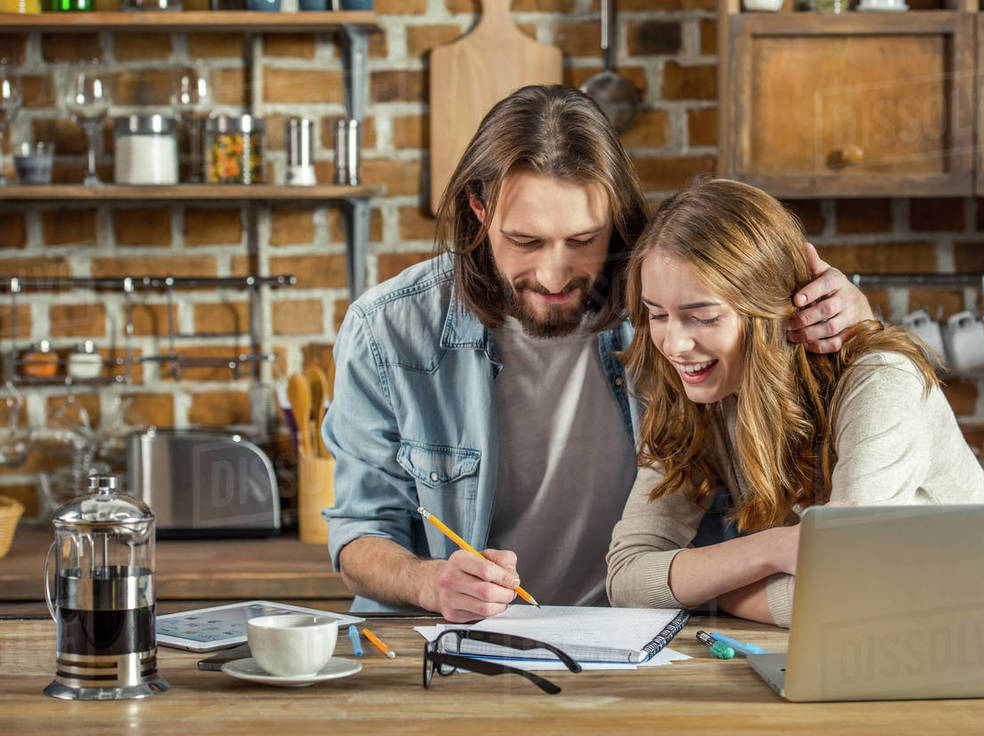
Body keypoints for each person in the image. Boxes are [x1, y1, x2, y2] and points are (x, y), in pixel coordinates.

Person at [321, 86, 873, 622]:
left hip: (654, 635)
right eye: (526, 242)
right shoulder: (388, 328)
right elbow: (360, 533)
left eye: (583, 240)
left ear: (616, 213)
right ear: (478, 209)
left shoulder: (668, 307)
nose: (554, 275)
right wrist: (428, 582)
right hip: (461, 642)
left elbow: (809, 400)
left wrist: (848, 321)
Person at [606, 179, 984, 628]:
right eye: (657, 314)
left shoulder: (881, 381)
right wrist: (773, 548)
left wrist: (708, 588)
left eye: (703, 316)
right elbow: (626, 579)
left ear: (770, 312)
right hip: (891, 643)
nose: (674, 343)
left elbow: (839, 591)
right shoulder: (701, 395)